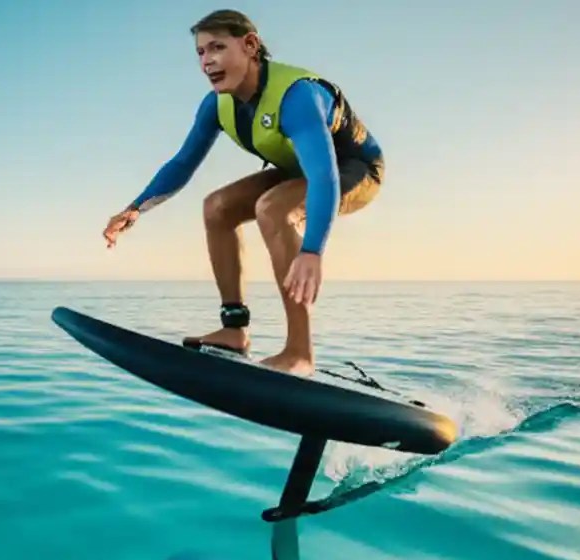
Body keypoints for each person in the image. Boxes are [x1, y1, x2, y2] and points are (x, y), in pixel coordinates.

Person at [101, 9, 385, 376]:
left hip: (354, 170)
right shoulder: (217, 106)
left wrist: (312, 250)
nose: (206, 61)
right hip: (299, 170)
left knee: (272, 209)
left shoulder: (297, 97)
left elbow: (324, 176)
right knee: (216, 207)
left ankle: (299, 353)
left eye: (217, 47)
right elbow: (183, 163)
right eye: (200, 52)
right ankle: (235, 329)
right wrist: (136, 208)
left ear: (250, 45)